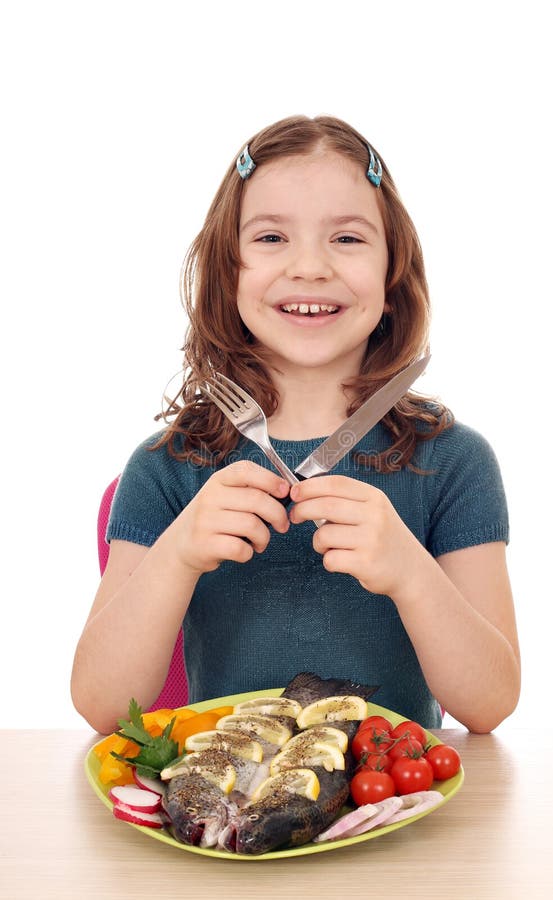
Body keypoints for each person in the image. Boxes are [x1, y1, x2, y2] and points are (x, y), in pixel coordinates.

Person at [71, 115, 520, 735]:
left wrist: (411, 572)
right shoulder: (166, 467)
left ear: (392, 278)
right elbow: (100, 703)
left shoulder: (454, 461)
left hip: (394, 808)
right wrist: (177, 554)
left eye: (348, 239)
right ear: (228, 275)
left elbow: (491, 703)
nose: (310, 267)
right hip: (232, 816)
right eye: (272, 238)